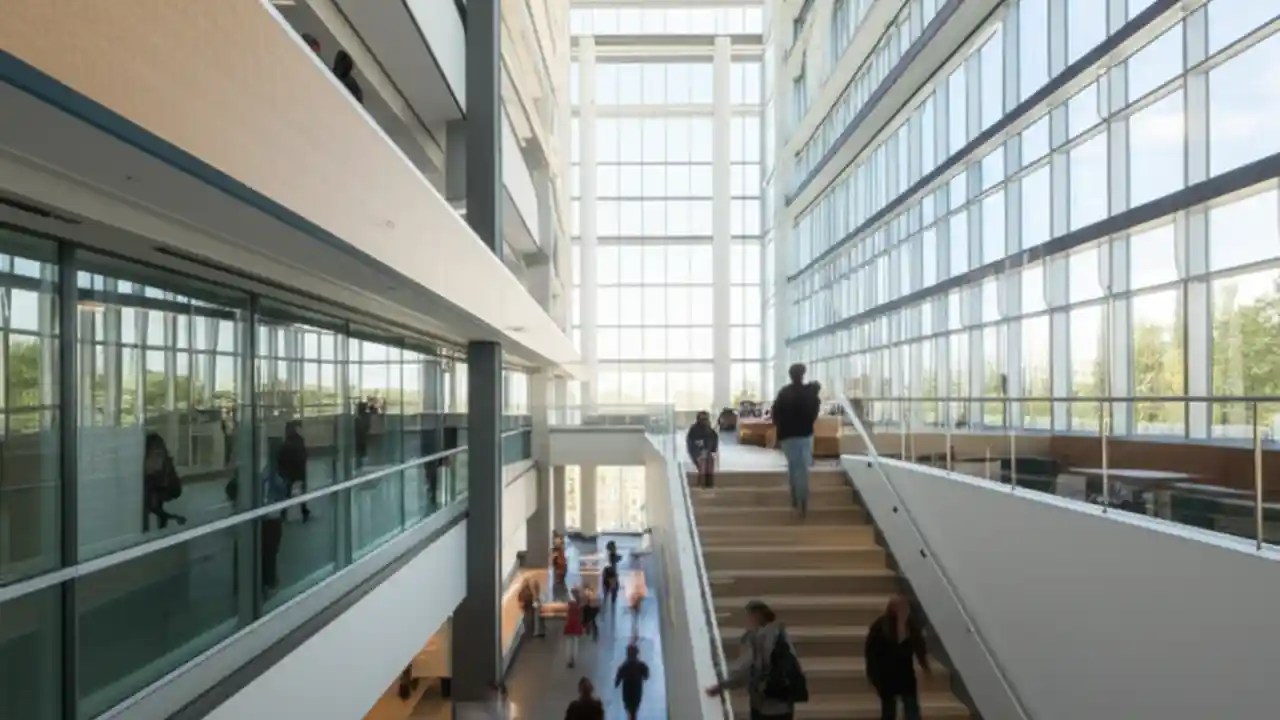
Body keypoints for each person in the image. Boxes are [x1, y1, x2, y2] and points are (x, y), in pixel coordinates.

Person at [707, 600, 797, 720]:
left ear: (755, 617)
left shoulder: (756, 638)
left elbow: (747, 670)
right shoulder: (781, 635)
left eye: (748, 616)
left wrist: (721, 686)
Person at [865, 595, 930, 720]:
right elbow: (872, 654)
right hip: (885, 674)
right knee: (889, 710)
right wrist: (873, 676)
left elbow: (916, 646)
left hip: (905, 673)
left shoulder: (910, 625)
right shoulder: (880, 627)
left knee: (912, 709)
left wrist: (925, 665)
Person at [772, 363, 822, 519]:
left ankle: (795, 496)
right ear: (803, 374)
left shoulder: (784, 393)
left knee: (794, 466)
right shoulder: (809, 393)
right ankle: (802, 501)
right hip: (805, 434)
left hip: (787, 435)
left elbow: (775, 414)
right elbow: (814, 412)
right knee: (803, 468)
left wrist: (781, 427)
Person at [143, 433, 187, 531]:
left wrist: (168, 467)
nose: (158, 459)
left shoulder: (160, 475)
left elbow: (175, 492)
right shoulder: (137, 482)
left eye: (161, 454)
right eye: (155, 454)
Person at [278, 420, 311, 522]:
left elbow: (281, 457)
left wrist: (282, 469)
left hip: (289, 470)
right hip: (298, 469)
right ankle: (303, 510)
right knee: (301, 490)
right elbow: (303, 454)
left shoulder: (286, 442)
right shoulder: (299, 440)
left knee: (287, 492)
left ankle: (284, 512)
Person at [615, 643, 651, 720]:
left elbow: (617, 680)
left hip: (627, 692)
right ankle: (633, 717)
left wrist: (617, 683)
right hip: (637, 691)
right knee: (634, 709)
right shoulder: (641, 665)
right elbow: (646, 676)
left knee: (630, 709)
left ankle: (631, 717)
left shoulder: (624, 666)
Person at [687, 410, 720, 488]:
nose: (705, 421)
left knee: (710, 460)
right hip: (696, 452)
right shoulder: (694, 429)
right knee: (704, 460)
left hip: (706, 452)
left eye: (706, 419)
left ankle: (709, 483)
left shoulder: (709, 430)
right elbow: (692, 443)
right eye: (703, 419)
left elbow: (714, 439)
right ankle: (702, 483)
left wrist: (711, 448)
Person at [564, 588, 586, 668]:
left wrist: (566, 623)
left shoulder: (570, 604)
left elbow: (567, 615)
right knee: (575, 643)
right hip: (576, 624)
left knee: (569, 643)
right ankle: (574, 659)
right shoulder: (580, 605)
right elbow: (581, 617)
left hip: (570, 624)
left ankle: (569, 660)